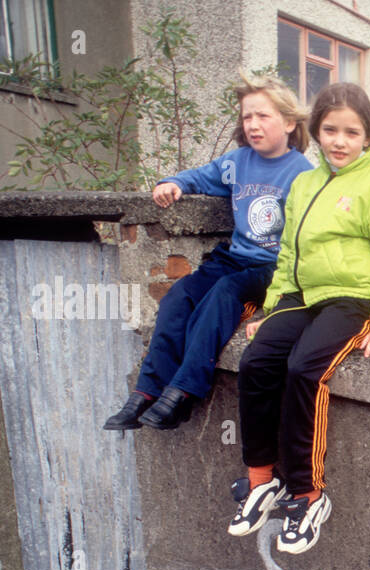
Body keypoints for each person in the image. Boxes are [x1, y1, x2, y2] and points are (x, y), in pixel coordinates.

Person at [228, 82, 370, 554]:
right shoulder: (305, 183)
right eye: (330, 130)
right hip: (302, 294)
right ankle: (260, 481)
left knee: (304, 369)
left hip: (352, 300)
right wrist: (272, 309)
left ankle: (308, 494)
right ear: (315, 132)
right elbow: (289, 251)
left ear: (368, 138)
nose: (339, 141)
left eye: (351, 132)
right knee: (256, 363)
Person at [103, 72, 313, 431]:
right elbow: (200, 177)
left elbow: (307, 241)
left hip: (271, 267)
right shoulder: (237, 162)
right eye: (247, 117)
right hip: (234, 257)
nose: (253, 124)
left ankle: (184, 391)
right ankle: (148, 391)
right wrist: (172, 183)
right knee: (179, 296)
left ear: (290, 122)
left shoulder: (303, 174)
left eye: (263, 116)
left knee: (222, 296)